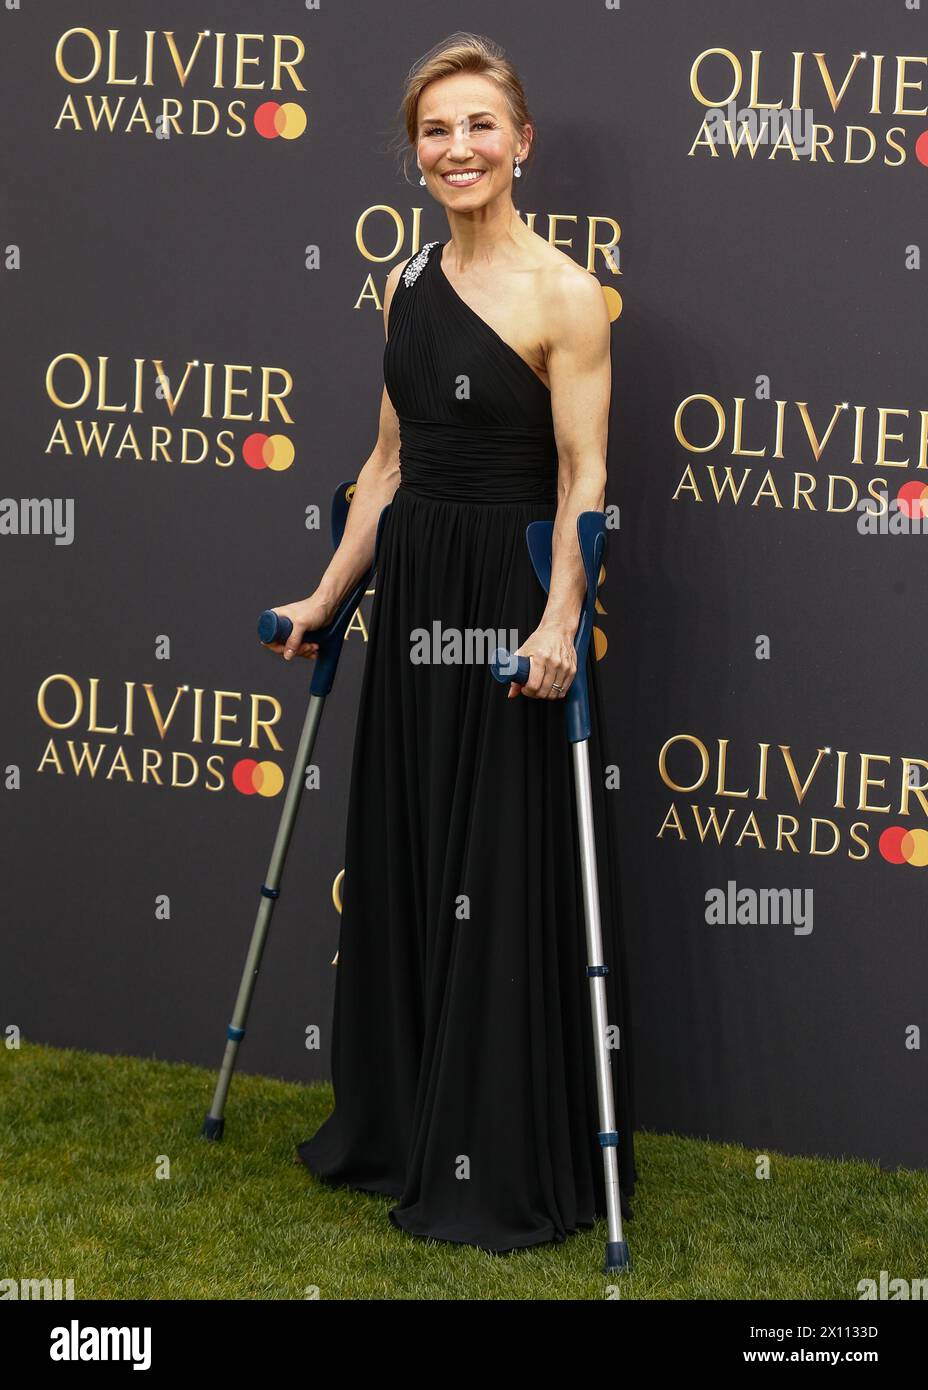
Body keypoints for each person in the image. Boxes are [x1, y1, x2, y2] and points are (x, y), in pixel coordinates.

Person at [263, 31, 638, 1254]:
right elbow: (386, 465)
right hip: (416, 584)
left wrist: (559, 620)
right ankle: (401, 1123)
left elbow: (583, 476)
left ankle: (498, 1152)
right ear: (414, 152)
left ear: (521, 142)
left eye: (480, 125)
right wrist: (327, 598)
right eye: (436, 129)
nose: (458, 147)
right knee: (415, 847)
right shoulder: (404, 283)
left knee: (498, 860)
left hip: (507, 598)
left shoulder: (566, 294)